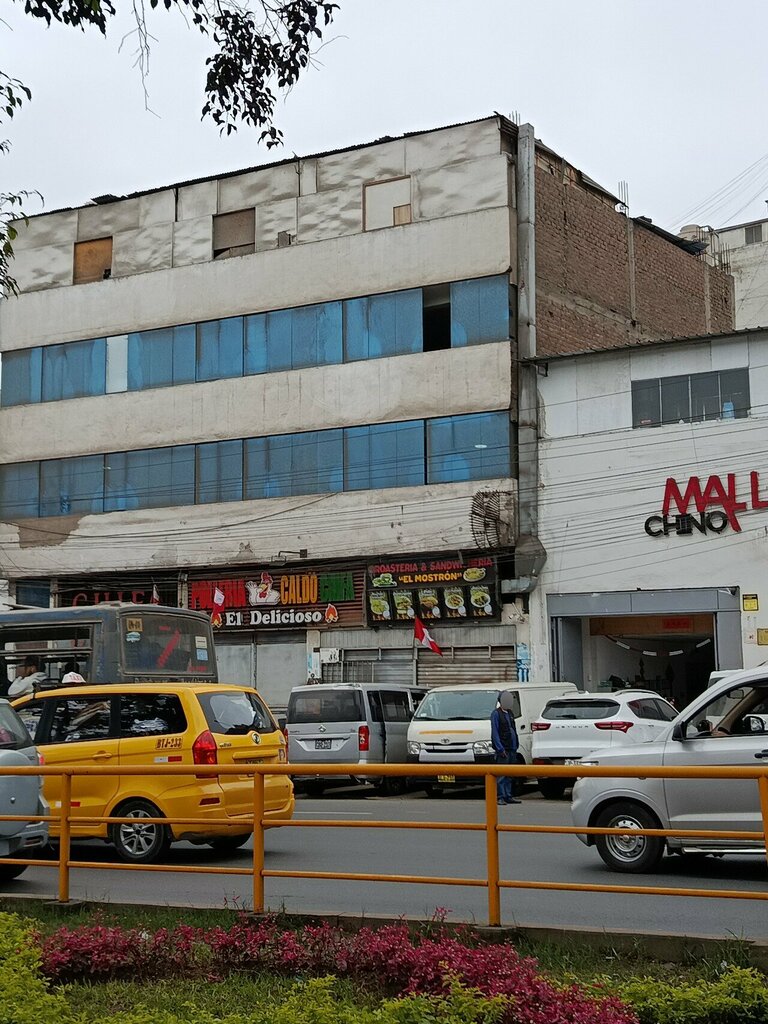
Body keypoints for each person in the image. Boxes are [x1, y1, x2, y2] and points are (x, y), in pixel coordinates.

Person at [491, 691, 521, 805]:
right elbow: (495, 733)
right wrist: (500, 748)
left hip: (512, 748)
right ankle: (500, 796)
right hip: (503, 749)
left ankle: (508, 795)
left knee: (510, 774)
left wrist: (516, 744)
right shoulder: (496, 714)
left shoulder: (510, 713)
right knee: (501, 775)